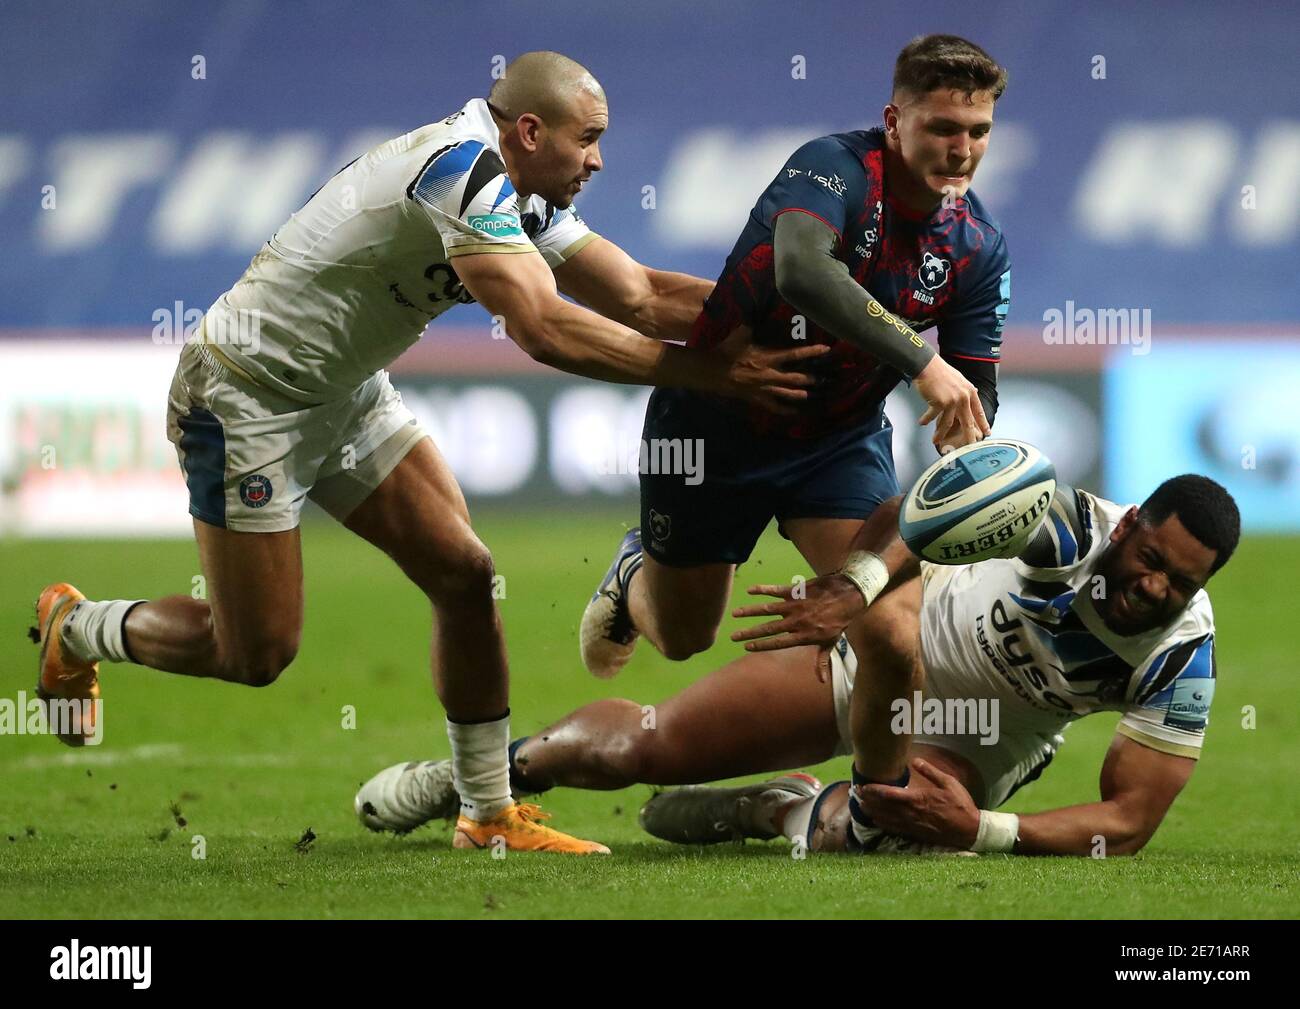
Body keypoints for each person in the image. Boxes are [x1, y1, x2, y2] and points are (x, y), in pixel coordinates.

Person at [30, 51, 825, 857]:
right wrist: (714, 373)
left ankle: (486, 812)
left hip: (345, 394)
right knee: (254, 652)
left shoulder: (524, 195)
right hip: (246, 394)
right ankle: (79, 625)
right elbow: (540, 326)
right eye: (587, 139)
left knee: (465, 572)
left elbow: (642, 294)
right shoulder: (459, 174)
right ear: (529, 130)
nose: (598, 159)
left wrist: (792, 312)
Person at [356, 475, 1237, 858]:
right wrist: (857, 586)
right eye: (1149, 559)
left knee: (881, 836)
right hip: (888, 651)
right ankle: (476, 779)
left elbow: (1128, 821)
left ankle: (775, 805)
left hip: (979, 739)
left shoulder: (1180, 654)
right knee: (636, 752)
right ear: (1126, 530)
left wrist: (982, 829)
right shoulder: (1061, 524)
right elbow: (917, 508)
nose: (1150, 587)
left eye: (1178, 581)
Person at [580, 34, 1011, 681]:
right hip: (713, 424)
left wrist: (965, 461)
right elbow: (802, 270)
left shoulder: (978, 247)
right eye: (944, 127)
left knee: (894, 631)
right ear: (894, 122)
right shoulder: (832, 168)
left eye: (978, 131)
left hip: (837, 442)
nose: (963, 150)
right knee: (682, 635)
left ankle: (879, 786)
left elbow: (977, 402)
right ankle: (633, 571)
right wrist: (924, 361)